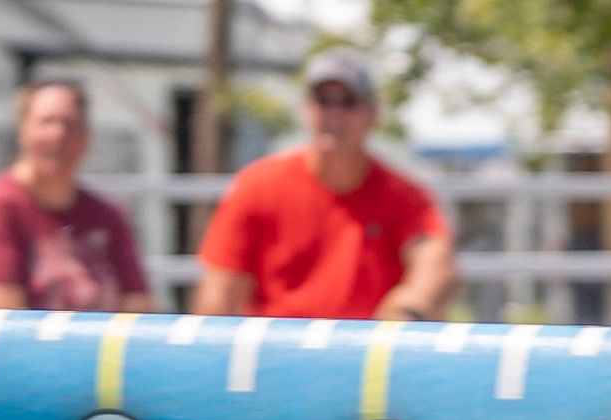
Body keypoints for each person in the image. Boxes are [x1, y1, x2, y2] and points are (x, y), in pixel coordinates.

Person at [193, 49, 455, 321]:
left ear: (372, 114)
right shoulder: (257, 188)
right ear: (307, 109)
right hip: (278, 355)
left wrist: (406, 311)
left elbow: (434, 264)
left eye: (347, 101)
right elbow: (217, 298)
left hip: (364, 354)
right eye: (323, 100)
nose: (334, 112)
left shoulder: (404, 197)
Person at [0, 78, 152, 313]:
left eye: (69, 124)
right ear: (22, 130)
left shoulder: (108, 214)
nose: (58, 134)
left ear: (87, 136)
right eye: (46, 122)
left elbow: (139, 308)